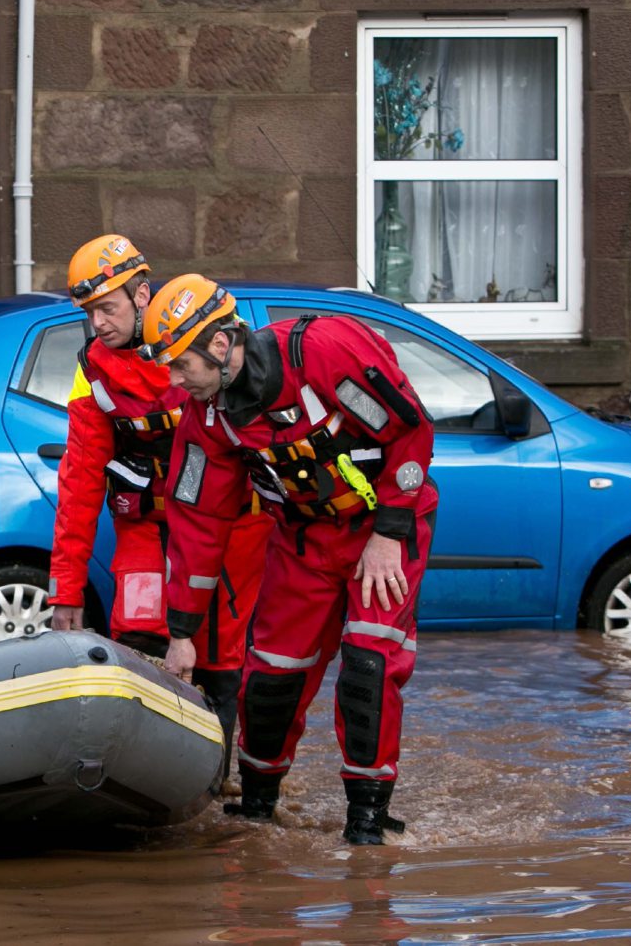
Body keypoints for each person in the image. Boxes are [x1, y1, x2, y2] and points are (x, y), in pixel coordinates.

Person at [138, 274, 438, 845]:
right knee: (273, 670)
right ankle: (257, 810)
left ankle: (367, 824)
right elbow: (198, 527)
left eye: (181, 365)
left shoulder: (323, 355)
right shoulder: (208, 418)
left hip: (384, 528)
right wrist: (182, 632)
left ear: (221, 346)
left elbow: (411, 430)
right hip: (303, 539)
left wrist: (390, 533)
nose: (173, 381)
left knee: (368, 666)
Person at [46, 235, 271, 753]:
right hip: (145, 524)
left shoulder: (204, 343)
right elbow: (79, 482)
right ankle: (144, 764)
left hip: (230, 527)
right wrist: (65, 590)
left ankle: (218, 775)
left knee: (219, 651)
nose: (98, 322)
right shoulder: (94, 372)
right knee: (138, 637)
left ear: (142, 295)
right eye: (90, 311)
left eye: (108, 307)